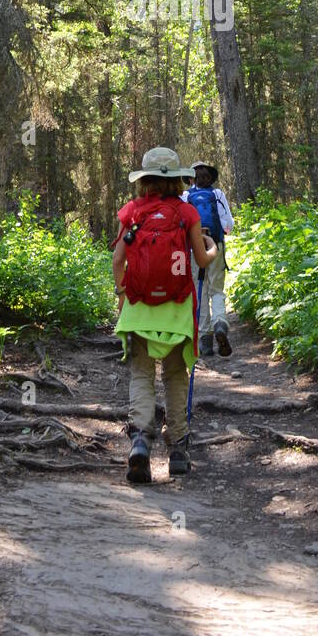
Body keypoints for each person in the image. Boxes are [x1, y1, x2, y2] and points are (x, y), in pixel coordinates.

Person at [113, 147, 217, 484]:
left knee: (141, 374)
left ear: (145, 180)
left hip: (139, 307)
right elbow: (202, 261)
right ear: (176, 180)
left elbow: (118, 261)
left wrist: (121, 295)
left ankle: (140, 441)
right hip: (177, 307)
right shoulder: (187, 213)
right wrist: (212, 246)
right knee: (175, 374)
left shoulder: (133, 212)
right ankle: (178, 451)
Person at [183, 160, 234, 358]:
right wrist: (221, 234)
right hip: (216, 245)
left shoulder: (186, 196)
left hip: (194, 248)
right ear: (210, 178)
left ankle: (205, 340)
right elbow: (228, 224)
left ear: (191, 178)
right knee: (216, 289)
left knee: (199, 290)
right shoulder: (218, 194)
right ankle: (220, 323)